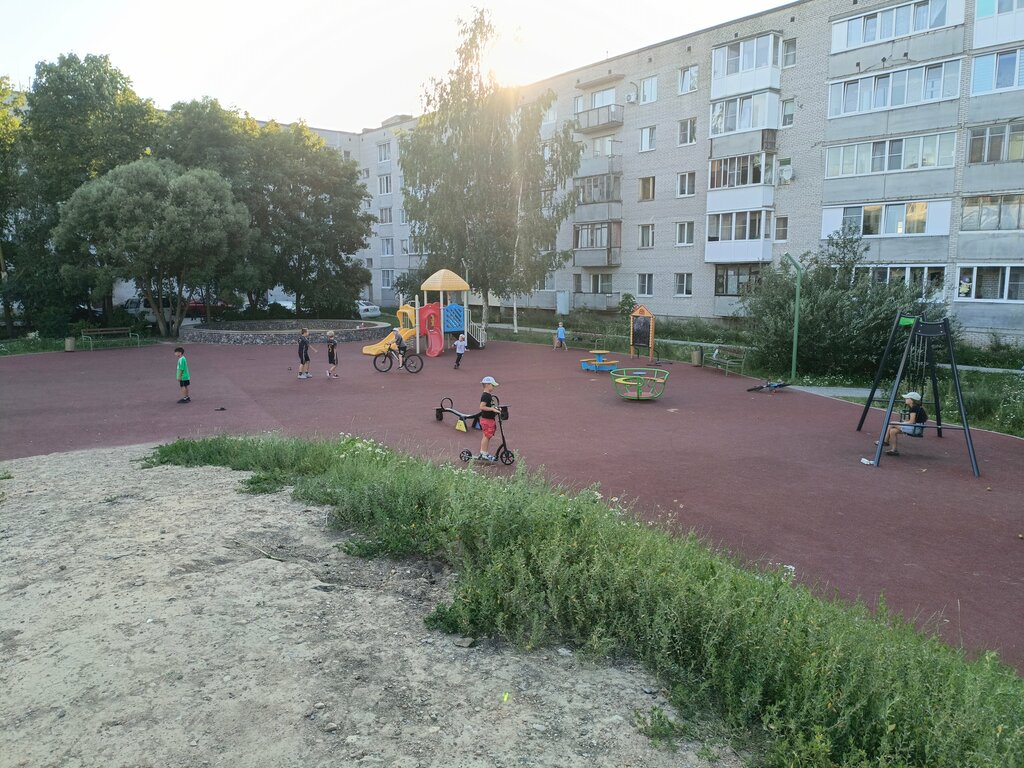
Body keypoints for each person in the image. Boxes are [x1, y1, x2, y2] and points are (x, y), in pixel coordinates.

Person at [878, 391, 928, 456]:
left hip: (915, 428)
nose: (905, 399)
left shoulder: (914, 408)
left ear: (912, 400)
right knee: (892, 431)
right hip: (916, 427)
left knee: (891, 423)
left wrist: (904, 422)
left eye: (907, 398)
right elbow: (915, 420)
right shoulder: (917, 408)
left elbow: (911, 421)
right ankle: (894, 450)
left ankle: (885, 441)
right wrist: (905, 421)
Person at [477, 376, 502, 461]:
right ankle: (483, 453)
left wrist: (495, 409)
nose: (493, 387)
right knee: (486, 436)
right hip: (487, 420)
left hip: (489, 419)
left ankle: (485, 452)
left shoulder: (488, 395)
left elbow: (490, 406)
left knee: (487, 436)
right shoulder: (485, 396)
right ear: (487, 385)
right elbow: (482, 407)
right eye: (492, 385)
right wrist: (491, 409)